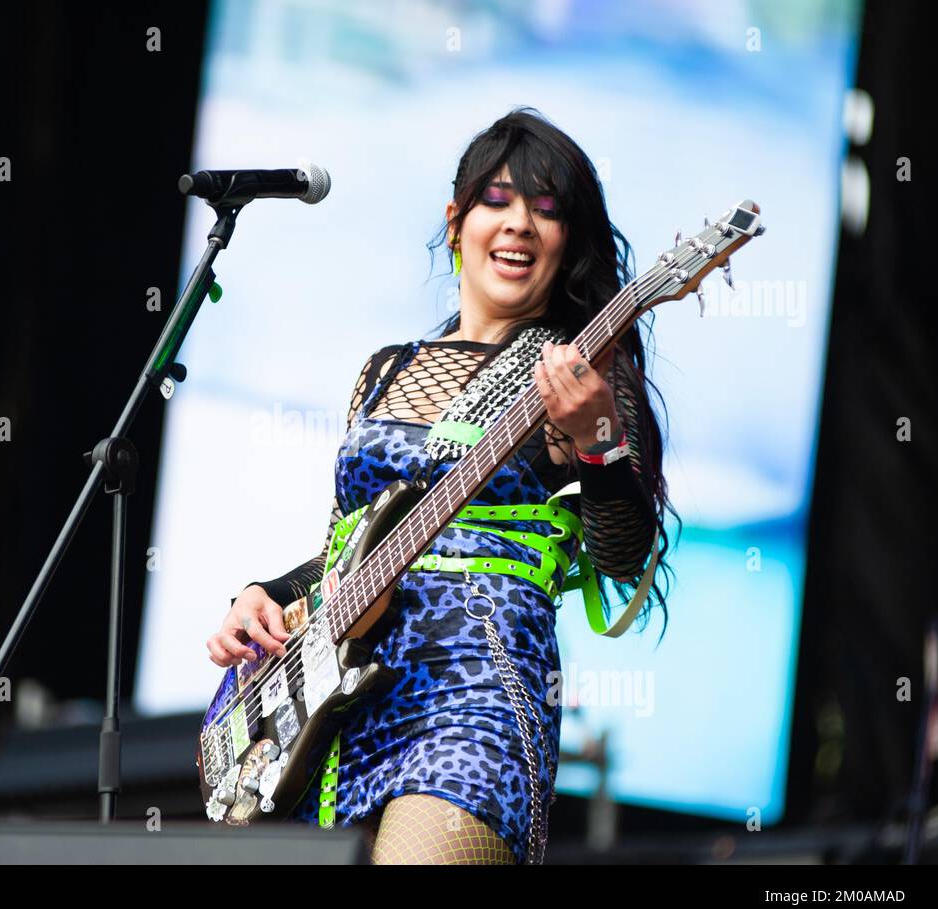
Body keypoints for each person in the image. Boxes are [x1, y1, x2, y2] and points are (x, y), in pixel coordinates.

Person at [206, 107, 675, 864]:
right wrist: (262, 592)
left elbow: (624, 554)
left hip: (474, 695)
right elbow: (349, 547)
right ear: (456, 222)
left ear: (567, 242)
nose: (520, 223)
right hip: (336, 696)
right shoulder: (386, 369)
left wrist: (595, 439)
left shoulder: (580, 369)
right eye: (499, 200)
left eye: (547, 210)